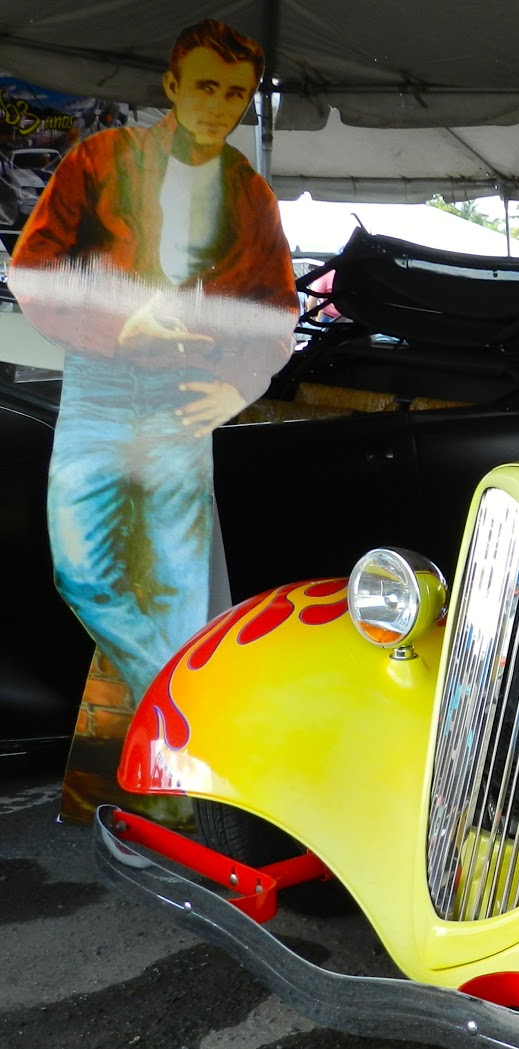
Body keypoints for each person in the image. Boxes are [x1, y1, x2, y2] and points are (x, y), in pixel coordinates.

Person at [10, 18, 297, 701]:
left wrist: (239, 384)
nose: (218, 105)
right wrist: (115, 329)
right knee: (81, 572)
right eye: (205, 86)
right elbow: (32, 271)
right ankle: (183, 714)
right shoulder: (102, 159)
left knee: (176, 591)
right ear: (171, 85)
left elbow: (277, 311)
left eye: (235, 94)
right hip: (100, 389)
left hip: (187, 398)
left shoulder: (249, 192)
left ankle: (171, 775)